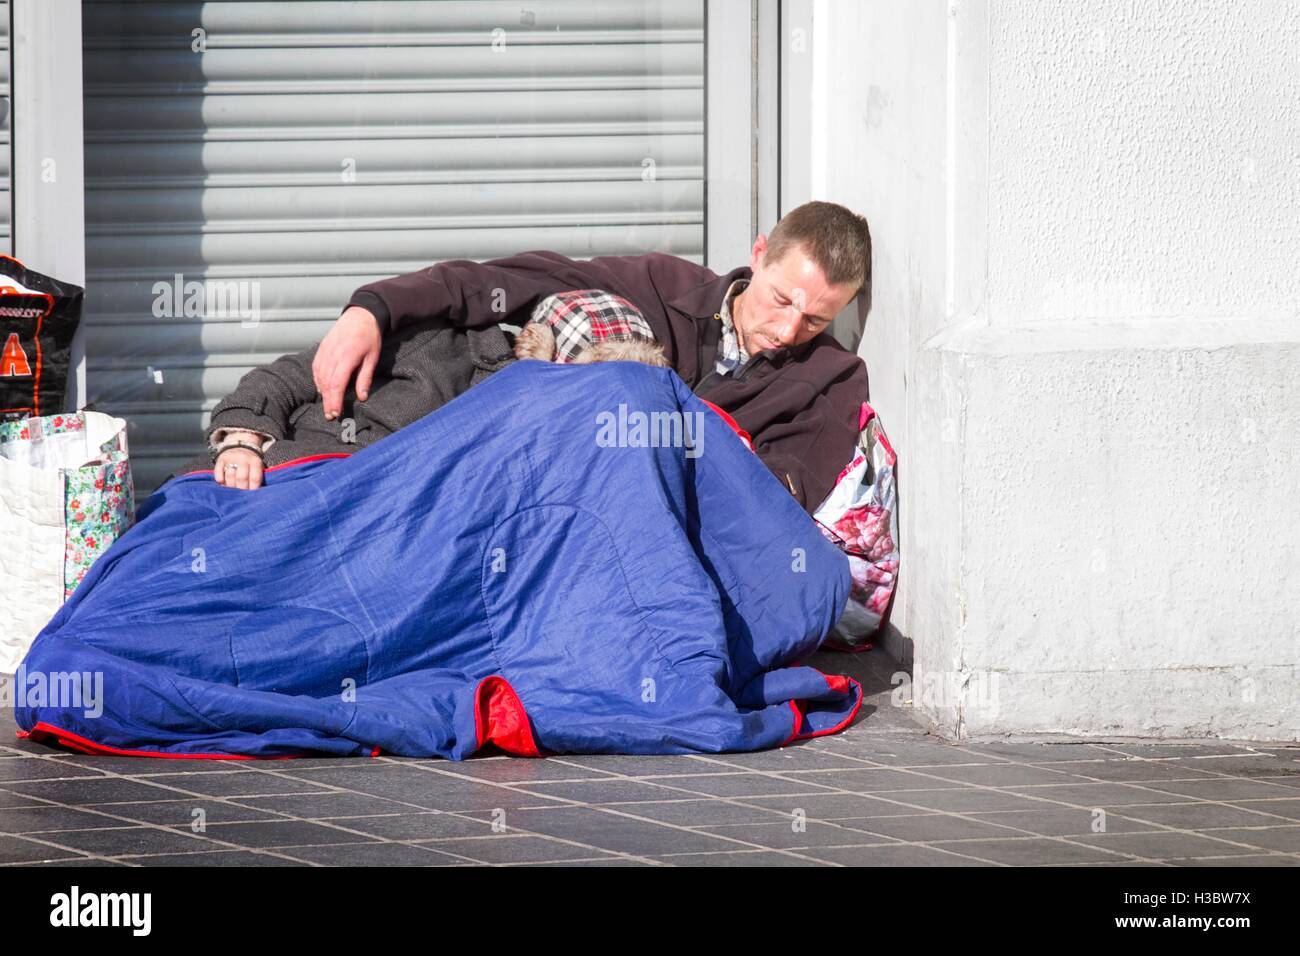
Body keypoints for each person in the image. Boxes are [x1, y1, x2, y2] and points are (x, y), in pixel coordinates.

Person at [200, 199, 872, 511]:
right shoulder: (655, 287)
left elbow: (782, 491)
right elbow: (502, 279)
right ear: (759, 255)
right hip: (306, 473)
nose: (789, 330)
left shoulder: (828, 378)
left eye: (817, 319)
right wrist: (372, 310)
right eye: (781, 301)